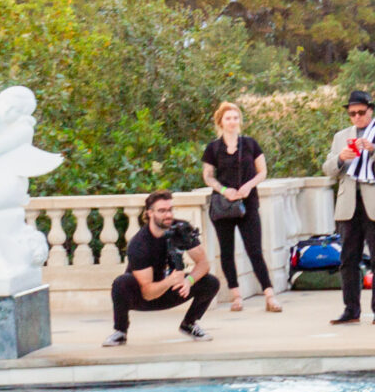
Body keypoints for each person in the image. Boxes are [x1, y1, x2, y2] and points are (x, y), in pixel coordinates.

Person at [323, 88, 375, 327]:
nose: (357, 117)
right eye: (352, 113)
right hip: (350, 204)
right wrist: (341, 158)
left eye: (361, 112)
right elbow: (328, 169)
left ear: (370, 110)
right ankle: (351, 309)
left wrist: (374, 149)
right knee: (348, 259)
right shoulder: (342, 136)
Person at [104, 189, 219, 347]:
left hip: (172, 290)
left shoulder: (181, 229)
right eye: (162, 211)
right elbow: (148, 293)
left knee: (211, 282)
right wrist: (170, 280)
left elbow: (204, 263)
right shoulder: (139, 244)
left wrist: (188, 281)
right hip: (143, 297)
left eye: (170, 210)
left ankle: (189, 324)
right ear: (150, 213)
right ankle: (120, 331)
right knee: (121, 283)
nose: (168, 215)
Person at [201, 101, 282, 315]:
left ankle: (269, 294)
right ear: (221, 122)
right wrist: (223, 189)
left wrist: (248, 186)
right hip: (224, 206)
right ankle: (236, 296)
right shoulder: (213, 147)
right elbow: (208, 176)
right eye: (228, 118)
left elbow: (262, 171)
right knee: (227, 252)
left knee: (254, 250)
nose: (232, 122)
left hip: (248, 202)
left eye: (235, 118)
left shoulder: (250, 144)